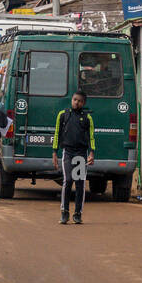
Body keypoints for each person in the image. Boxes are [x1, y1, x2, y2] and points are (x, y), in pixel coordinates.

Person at [51, 90, 95, 223]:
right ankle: (64, 212)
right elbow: (57, 133)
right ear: (72, 100)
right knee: (68, 180)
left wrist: (92, 152)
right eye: (75, 99)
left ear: (83, 103)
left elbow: (91, 137)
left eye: (80, 101)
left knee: (80, 183)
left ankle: (77, 213)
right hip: (68, 153)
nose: (77, 102)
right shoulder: (63, 115)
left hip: (81, 154)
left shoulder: (87, 118)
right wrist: (54, 152)